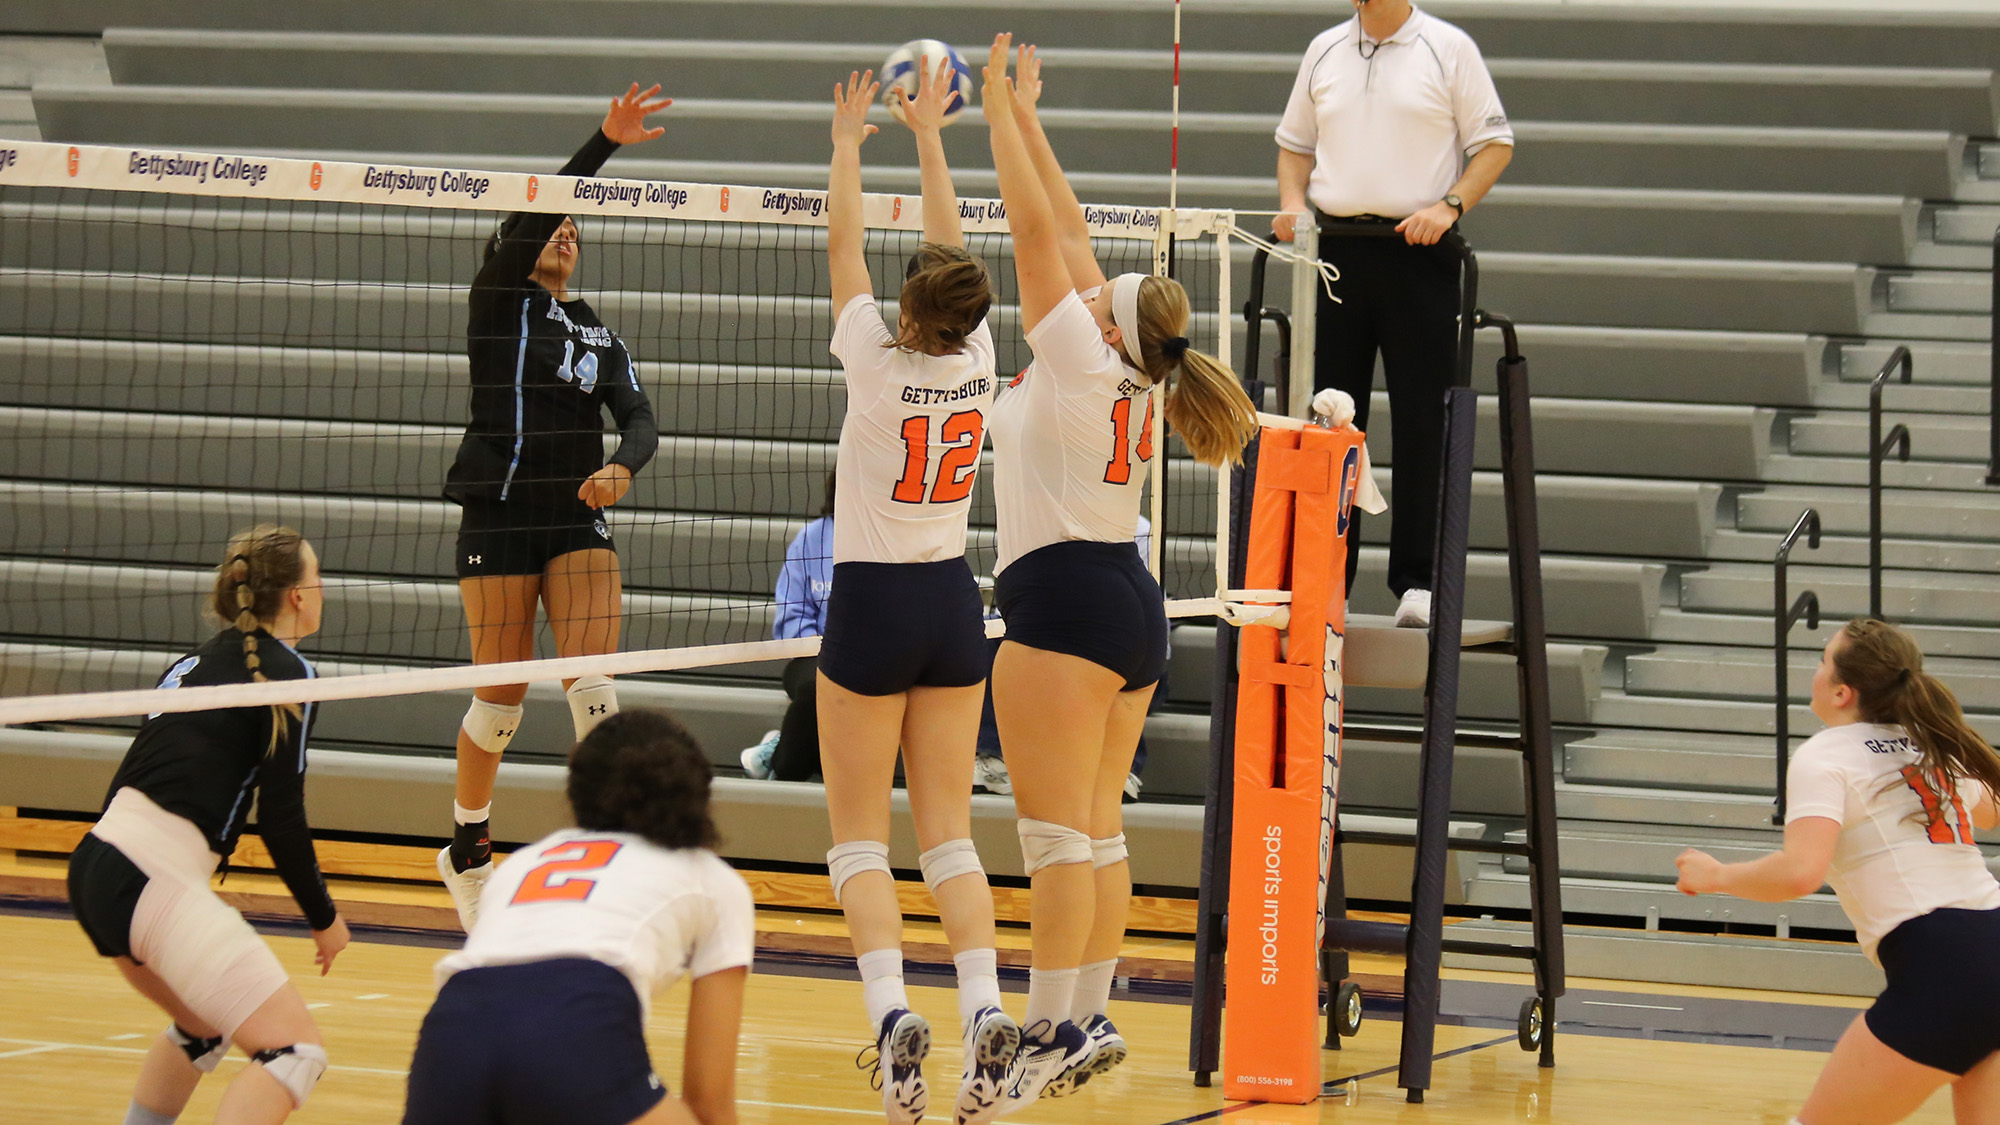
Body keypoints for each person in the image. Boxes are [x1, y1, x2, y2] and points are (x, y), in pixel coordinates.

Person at [979, 37, 1260, 1110]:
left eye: (1101, 294)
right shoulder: (1130, 364)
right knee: (1095, 828)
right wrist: (1029, 115)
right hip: (1128, 605)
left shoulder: (1076, 360)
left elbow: (1034, 233)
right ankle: (1087, 1015)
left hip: (1062, 604)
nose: (1087, 288)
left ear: (1107, 324)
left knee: (1056, 840)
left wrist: (994, 116)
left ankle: (1047, 1032)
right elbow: (1071, 232)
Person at [820, 61, 1016, 1125]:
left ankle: (893, 1012)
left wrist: (848, 146)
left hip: (870, 602)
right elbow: (949, 252)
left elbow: (845, 245)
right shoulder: (979, 353)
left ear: (908, 306)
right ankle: (984, 1005)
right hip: (951, 603)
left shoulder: (874, 356)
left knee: (859, 838)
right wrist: (933, 138)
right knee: (950, 836)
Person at [438, 83, 670, 931]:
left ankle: (607, 853)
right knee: (500, 701)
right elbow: (545, 205)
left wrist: (623, 466)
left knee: (593, 682)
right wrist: (603, 142)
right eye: (554, 226)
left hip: (576, 516)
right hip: (499, 509)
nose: (567, 232)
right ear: (520, 242)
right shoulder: (498, 300)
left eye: (576, 229)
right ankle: (468, 846)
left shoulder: (601, 333)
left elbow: (641, 418)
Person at [66, 526, 348, 1125]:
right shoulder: (290, 673)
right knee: (293, 1054)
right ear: (297, 596)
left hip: (96, 864)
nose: (323, 588)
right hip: (154, 880)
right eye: (318, 576)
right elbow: (281, 817)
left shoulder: (187, 665)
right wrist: (324, 918)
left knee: (202, 1029)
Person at [1675, 619, 2000, 1124]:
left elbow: (1799, 874)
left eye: (1822, 661)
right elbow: (1992, 811)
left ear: (1842, 692)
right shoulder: (1931, 746)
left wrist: (1716, 875)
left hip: (1943, 963)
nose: (1816, 671)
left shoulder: (1826, 754)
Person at [1272, 0, 1514, 628]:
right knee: (1327, 419)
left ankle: (1419, 585)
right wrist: (1293, 202)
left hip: (1419, 251)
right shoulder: (1324, 49)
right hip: (1335, 255)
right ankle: (1327, 580)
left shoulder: (1448, 48)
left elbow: (1495, 144)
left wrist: (1449, 206)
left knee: (1421, 422)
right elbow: (1295, 146)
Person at [403, 709, 751, 1125]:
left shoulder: (526, 861)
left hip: (451, 1030)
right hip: (573, 1026)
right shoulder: (713, 879)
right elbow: (710, 1105)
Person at [973, 516, 1157, 803]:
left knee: (1052, 822)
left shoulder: (1039, 512)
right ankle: (1122, 769)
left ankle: (994, 754)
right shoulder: (1134, 522)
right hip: (1144, 623)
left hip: (1080, 620)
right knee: (1101, 814)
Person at [742, 471, 835, 782]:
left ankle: (778, 754)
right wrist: (824, 650)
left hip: (878, 661)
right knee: (821, 688)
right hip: (815, 657)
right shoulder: (811, 539)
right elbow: (791, 616)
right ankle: (785, 771)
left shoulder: (892, 541)